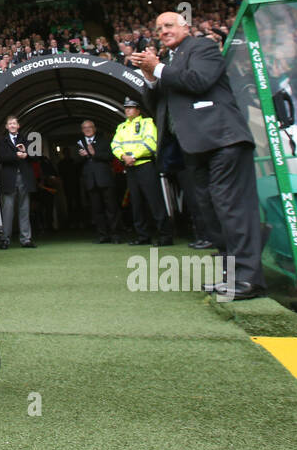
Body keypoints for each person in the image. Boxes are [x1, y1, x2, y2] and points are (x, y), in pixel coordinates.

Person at [135, 15, 264, 300]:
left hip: (222, 140)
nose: (163, 31)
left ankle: (249, 279)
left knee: (232, 210)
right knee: (212, 214)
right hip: (193, 147)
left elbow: (198, 81)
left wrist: (157, 67)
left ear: (185, 27)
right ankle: (231, 277)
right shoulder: (170, 61)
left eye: (169, 25)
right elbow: (156, 106)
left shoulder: (202, 48)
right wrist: (149, 77)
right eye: (158, 28)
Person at [111, 100, 171, 246]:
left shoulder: (147, 123)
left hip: (145, 165)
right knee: (136, 202)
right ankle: (143, 235)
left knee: (154, 200)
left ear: (138, 110)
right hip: (130, 168)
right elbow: (115, 144)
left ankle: (165, 235)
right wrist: (123, 157)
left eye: (131, 108)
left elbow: (150, 142)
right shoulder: (122, 126)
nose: (128, 111)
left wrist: (134, 156)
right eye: (126, 108)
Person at [0, 117, 36, 248]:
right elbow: (1, 157)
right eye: (10, 123)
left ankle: (26, 239)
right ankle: (5, 239)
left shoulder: (26, 139)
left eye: (14, 123)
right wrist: (16, 155)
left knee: (24, 208)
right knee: (8, 209)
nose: (12, 125)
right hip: (9, 178)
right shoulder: (1, 140)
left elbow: (36, 156)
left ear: (18, 125)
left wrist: (26, 153)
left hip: (24, 177)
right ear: (6, 126)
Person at [76, 119, 120, 243]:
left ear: (94, 128)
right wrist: (83, 156)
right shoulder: (79, 143)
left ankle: (115, 234)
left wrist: (94, 154)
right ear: (82, 130)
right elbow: (76, 162)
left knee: (111, 208)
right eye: (84, 128)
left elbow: (110, 156)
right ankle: (102, 235)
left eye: (89, 127)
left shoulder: (104, 140)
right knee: (97, 209)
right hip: (90, 180)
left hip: (104, 178)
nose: (87, 129)